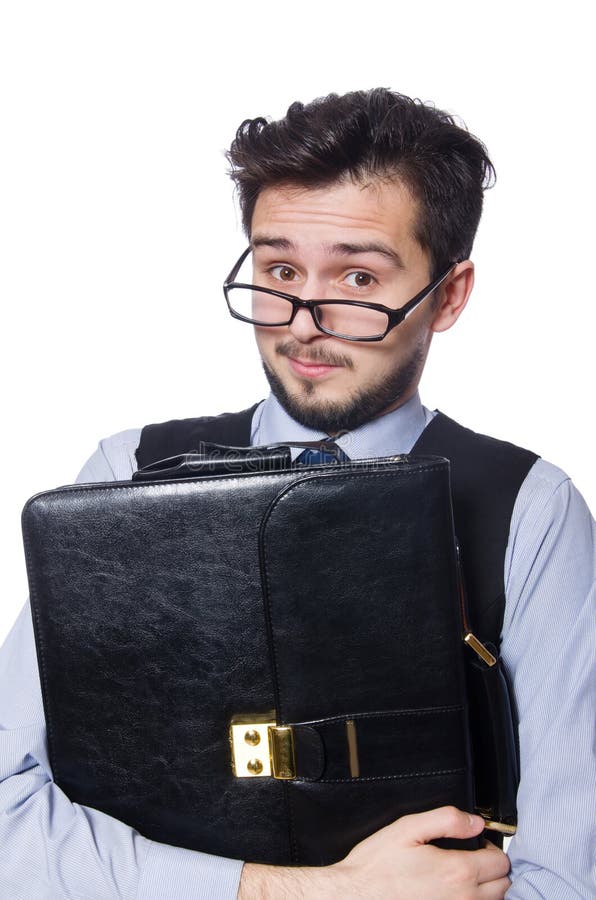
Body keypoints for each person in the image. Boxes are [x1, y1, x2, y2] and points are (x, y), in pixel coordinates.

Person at [0, 89, 593, 899]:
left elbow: (565, 877)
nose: (304, 322)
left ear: (449, 296)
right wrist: (295, 893)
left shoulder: (530, 508)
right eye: (279, 269)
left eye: (356, 275)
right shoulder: (126, 473)